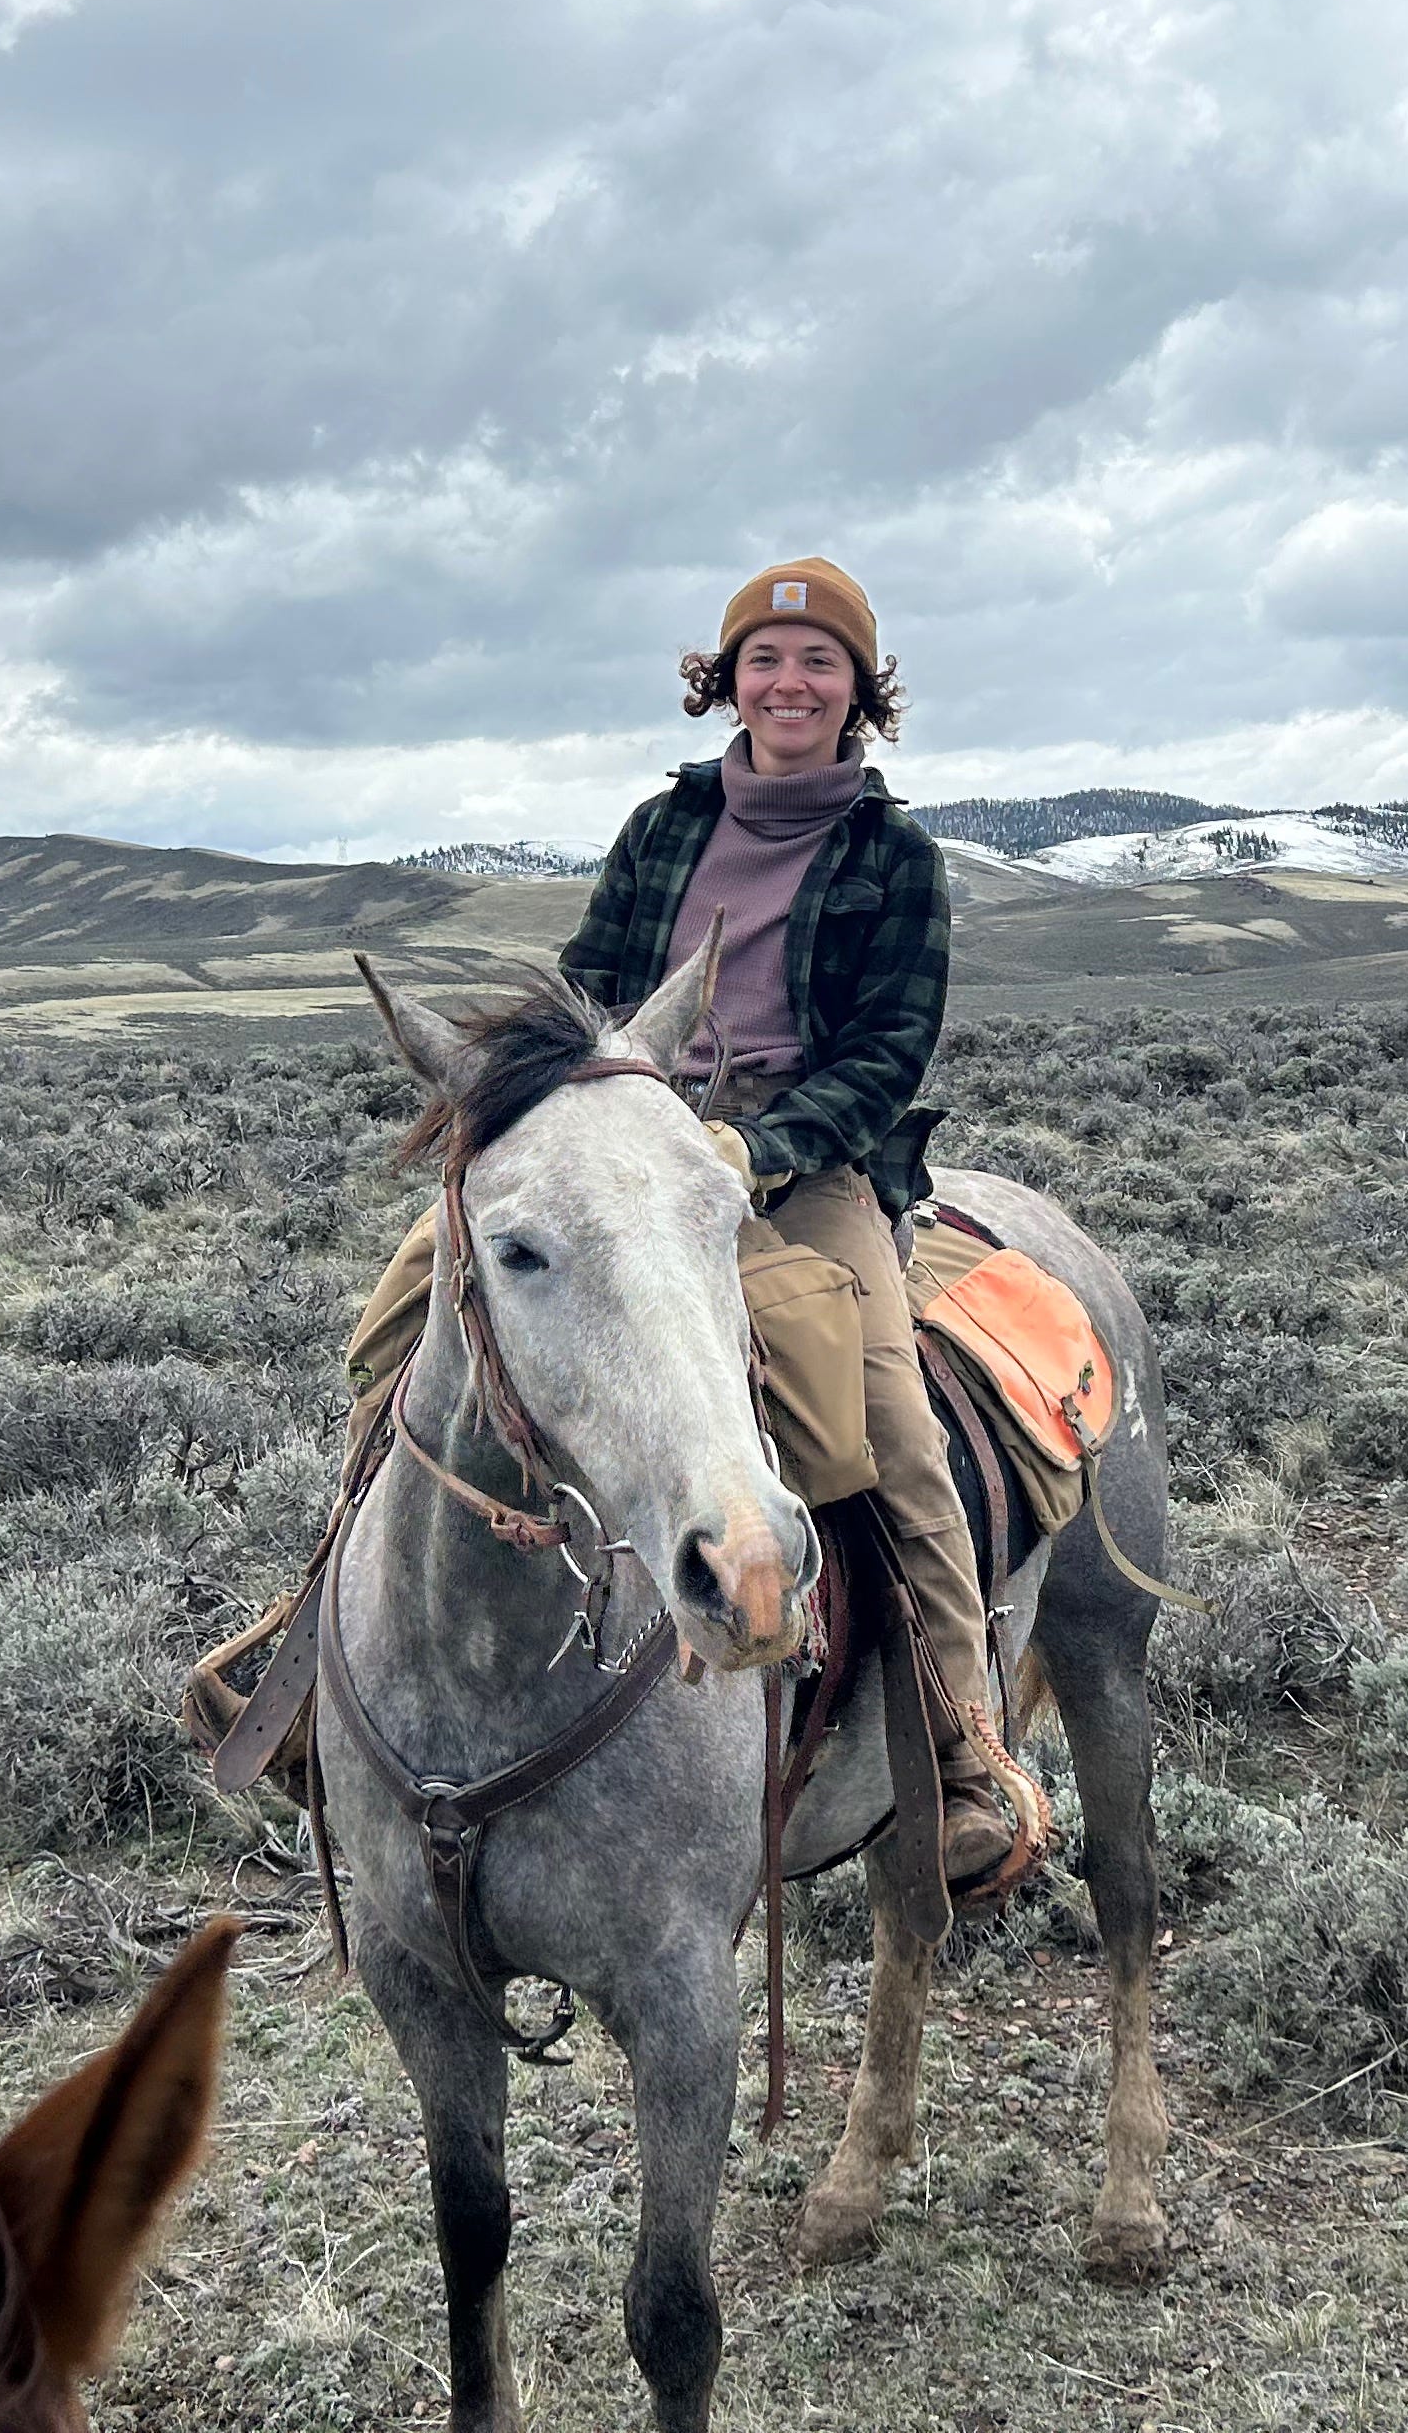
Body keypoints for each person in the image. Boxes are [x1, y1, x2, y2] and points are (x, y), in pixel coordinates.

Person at [552, 557, 1017, 1889]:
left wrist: (764, 1144)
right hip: (644, 1137)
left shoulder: (894, 857)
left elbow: (891, 1047)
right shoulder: (662, 830)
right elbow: (590, 987)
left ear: (859, 691)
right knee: (418, 1316)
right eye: (764, 660)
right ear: (727, 682)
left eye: (819, 664)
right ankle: (303, 1658)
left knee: (884, 1420)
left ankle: (965, 1740)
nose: (790, 683)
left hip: (805, 1160)